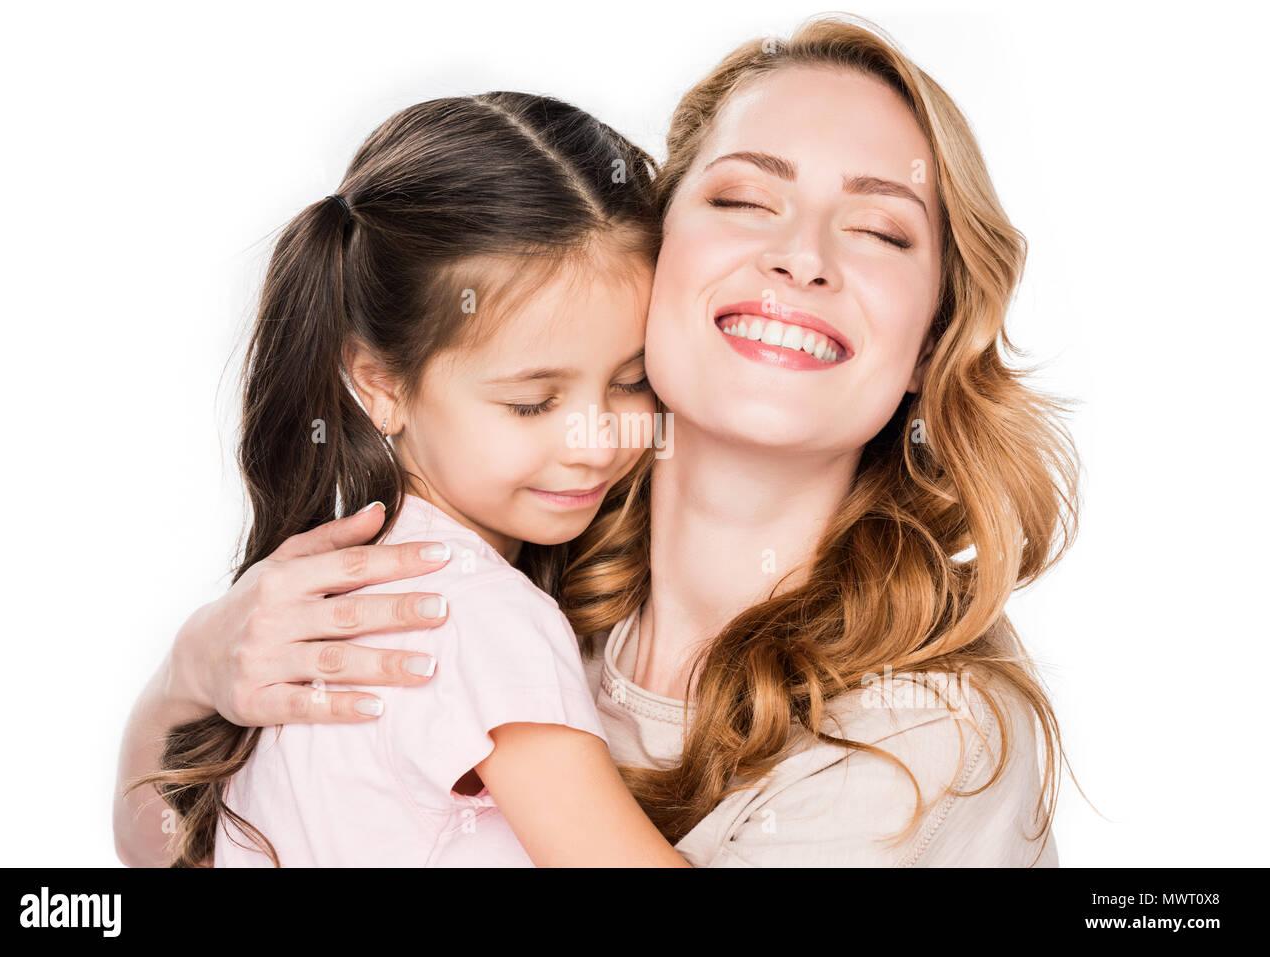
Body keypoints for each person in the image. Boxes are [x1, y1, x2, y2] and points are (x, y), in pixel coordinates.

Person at [116, 13, 1083, 867]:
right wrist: (190, 672)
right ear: (658, 258)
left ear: (934, 340)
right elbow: (166, 844)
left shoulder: (924, 733)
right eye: (746, 200)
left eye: (879, 228)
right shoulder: (521, 583)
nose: (801, 256)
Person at [128, 91, 689, 867]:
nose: (597, 440)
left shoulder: (326, 596)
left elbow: (154, 848)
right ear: (380, 382)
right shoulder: (477, 613)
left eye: (632, 381)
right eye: (532, 402)